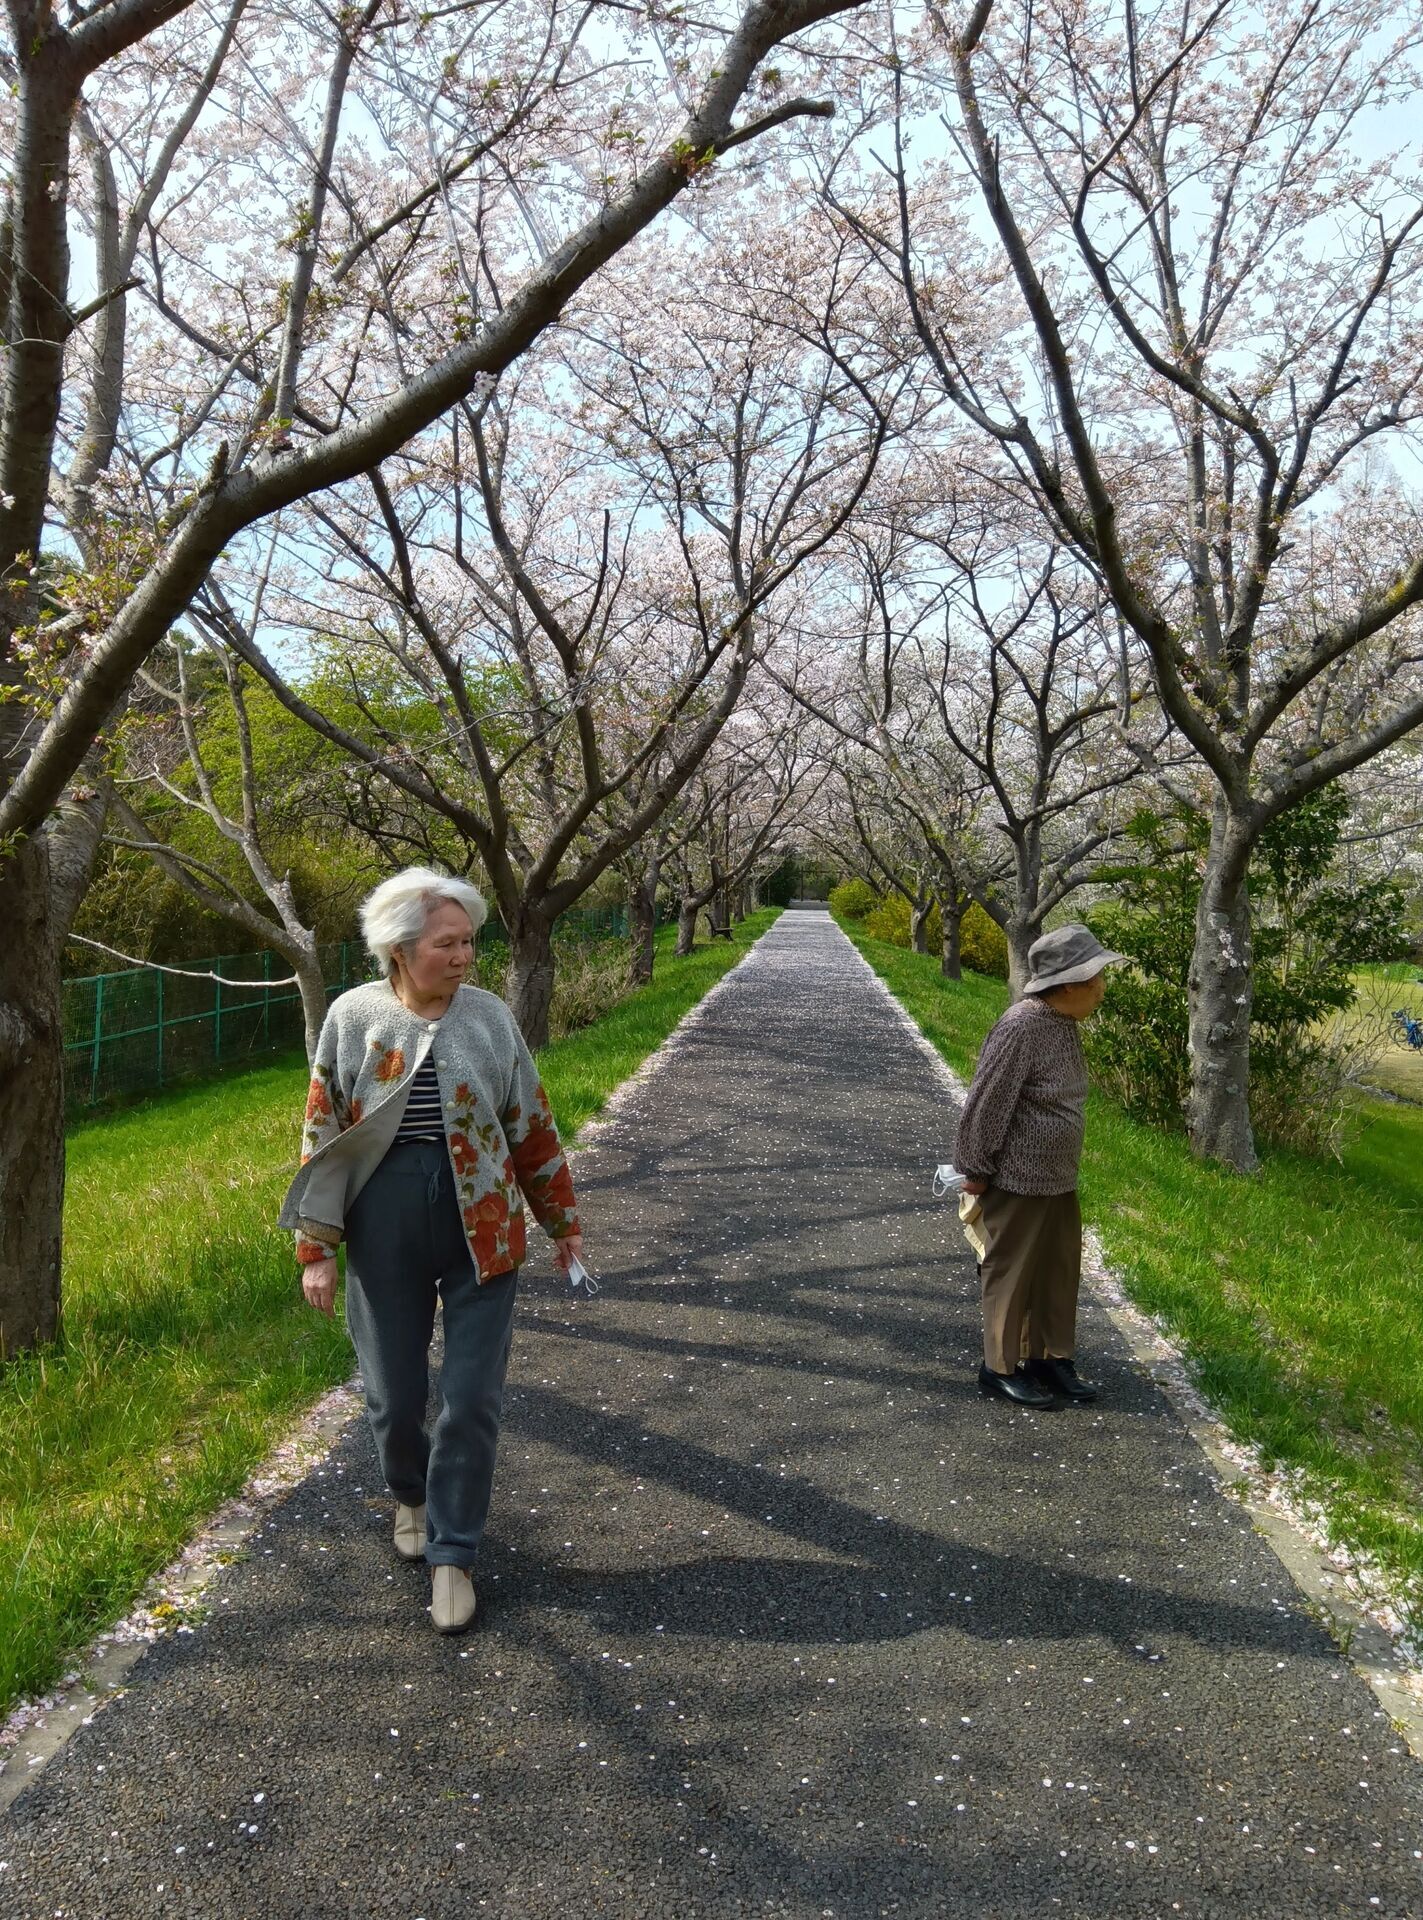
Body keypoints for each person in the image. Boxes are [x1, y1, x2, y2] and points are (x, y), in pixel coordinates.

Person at [279, 867, 583, 1633]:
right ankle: (409, 1494)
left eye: (468, 941)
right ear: (400, 949)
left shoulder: (489, 1020)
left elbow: (530, 1121)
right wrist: (314, 1247)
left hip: (482, 1219)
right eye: (446, 944)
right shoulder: (353, 1017)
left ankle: (454, 1553)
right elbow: (322, 1133)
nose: (464, 956)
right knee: (394, 1398)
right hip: (382, 1219)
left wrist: (562, 1220)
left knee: (473, 1399)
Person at [952, 924, 1124, 1409]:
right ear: (1070, 983)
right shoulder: (1021, 1025)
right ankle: (1000, 1367)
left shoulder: (1062, 1024)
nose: (1101, 989)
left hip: (1057, 1178)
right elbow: (985, 1103)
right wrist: (976, 1169)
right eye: (1096, 979)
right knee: (1010, 1272)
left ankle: (1049, 1357)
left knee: (1057, 1269)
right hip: (1016, 1180)